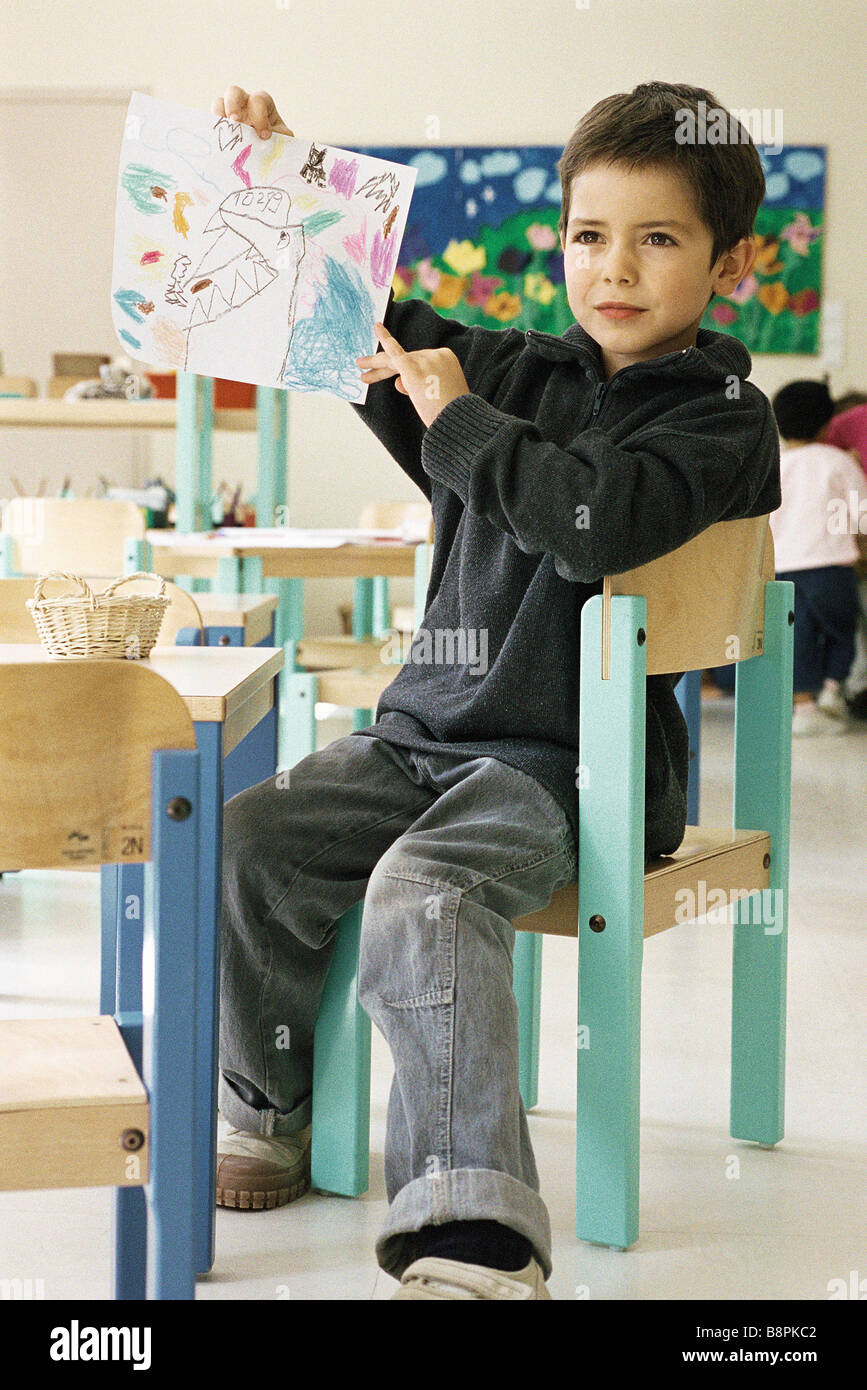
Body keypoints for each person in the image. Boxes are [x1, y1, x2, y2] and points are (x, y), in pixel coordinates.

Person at [212, 80, 781, 1300]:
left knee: (424, 893)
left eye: (658, 237)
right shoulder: (516, 367)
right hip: (418, 740)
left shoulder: (727, 418)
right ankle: (266, 1100)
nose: (614, 268)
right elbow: (362, 314)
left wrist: (460, 421)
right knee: (248, 838)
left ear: (731, 261)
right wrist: (287, 179)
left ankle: (471, 1218)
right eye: (589, 235)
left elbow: (593, 522)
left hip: (570, 767)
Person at [769, 380, 867, 736]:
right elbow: (862, 516)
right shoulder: (838, 462)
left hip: (784, 570)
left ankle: (804, 708)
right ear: (828, 424)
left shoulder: (773, 465)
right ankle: (832, 689)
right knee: (842, 632)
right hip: (831, 567)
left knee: (797, 637)